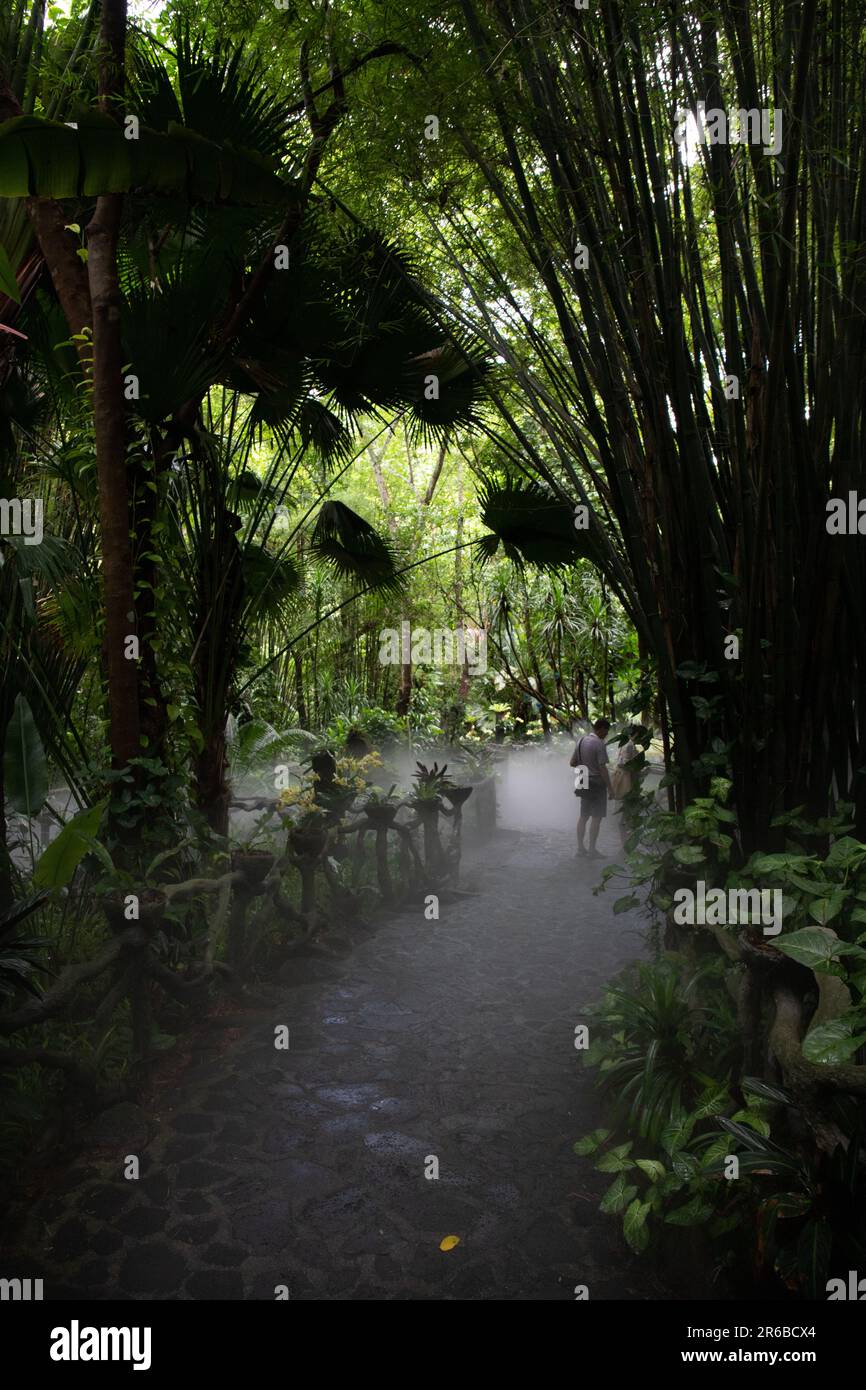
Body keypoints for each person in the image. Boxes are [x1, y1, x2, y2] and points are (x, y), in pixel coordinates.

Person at [570, 717, 612, 858]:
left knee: (583, 816)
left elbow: (572, 762)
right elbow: (602, 768)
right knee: (596, 817)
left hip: (583, 780)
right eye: (606, 732)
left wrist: (586, 766)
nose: (606, 735)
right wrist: (610, 788)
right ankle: (592, 850)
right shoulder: (599, 744)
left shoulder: (581, 741)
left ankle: (580, 849)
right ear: (601, 729)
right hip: (596, 782)